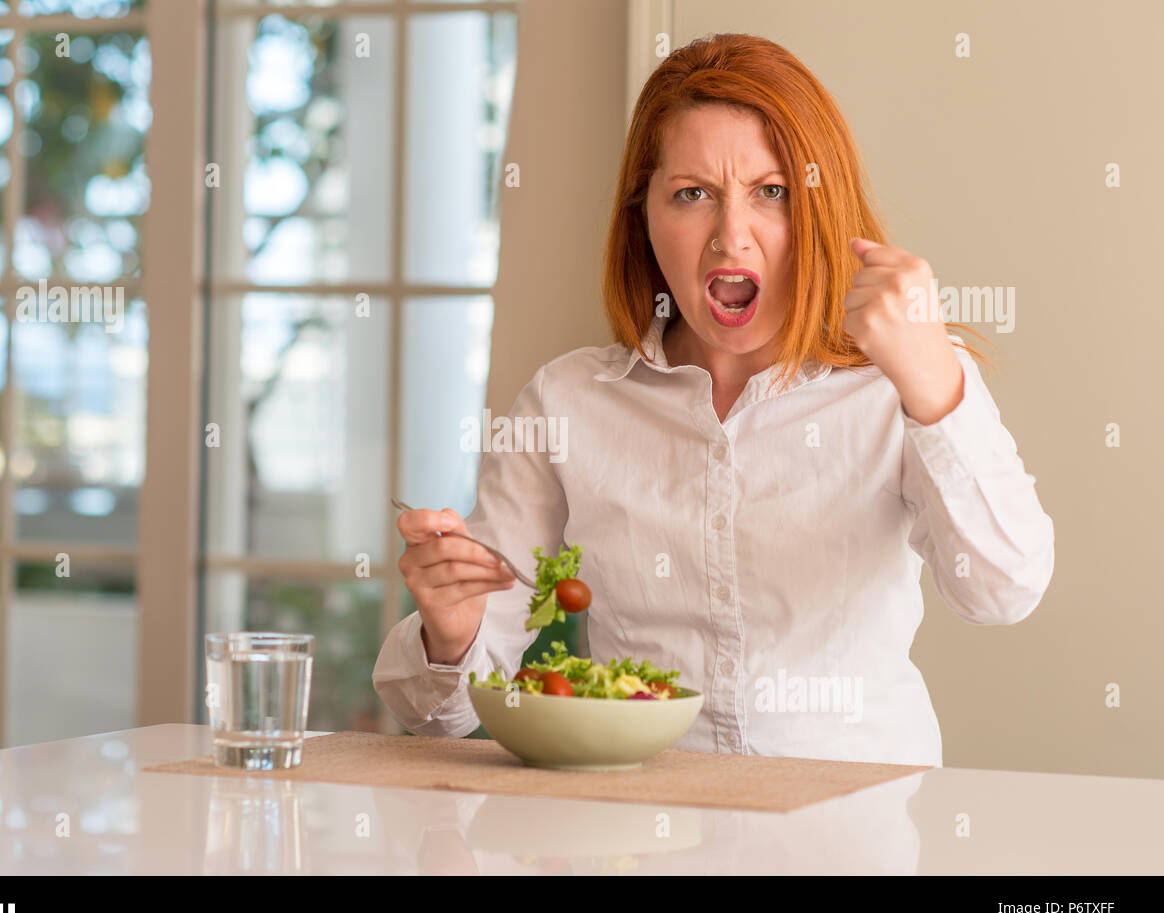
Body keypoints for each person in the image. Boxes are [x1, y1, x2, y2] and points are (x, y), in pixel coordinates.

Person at [372, 33, 1054, 766]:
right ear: (644, 215)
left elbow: (1003, 590)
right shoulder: (568, 402)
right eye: (693, 194)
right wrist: (452, 630)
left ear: (821, 209)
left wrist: (932, 382)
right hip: (644, 829)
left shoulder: (901, 384)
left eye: (772, 193)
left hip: (856, 829)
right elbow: (440, 710)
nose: (733, 239)